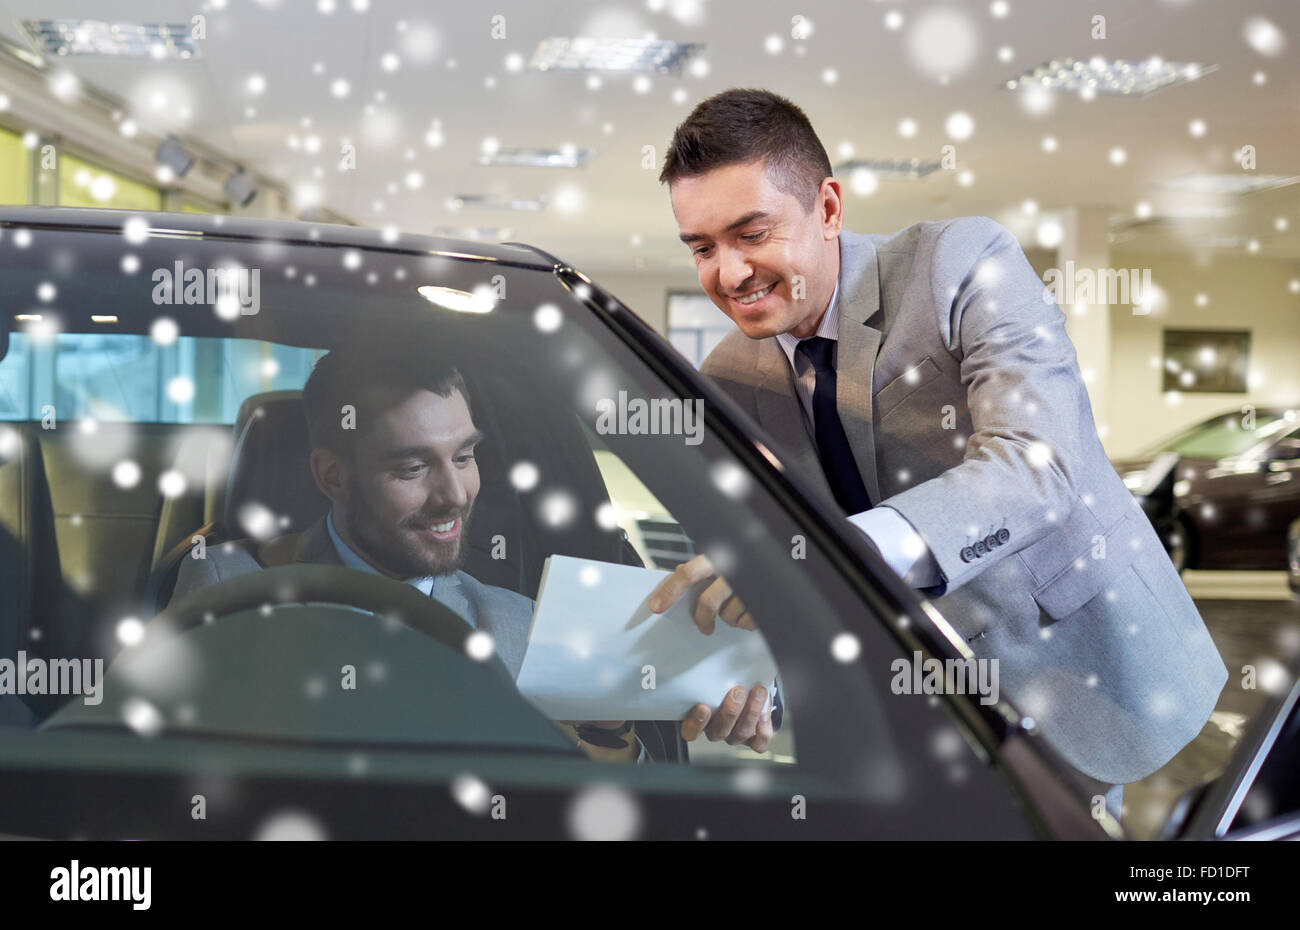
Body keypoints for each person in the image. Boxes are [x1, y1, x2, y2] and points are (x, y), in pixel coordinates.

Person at [648, 87, 1229, 820]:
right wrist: (758, 676)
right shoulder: (726, 377)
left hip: (1077, 666)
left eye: (752, 234)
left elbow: (1037, 462)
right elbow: (771, 562)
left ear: (828, 208)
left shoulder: (959, 262)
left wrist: (845, 550)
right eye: (702, 248)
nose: (728, 274)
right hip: (904, 720)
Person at [169, 341, 772, 762]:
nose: (454, 496)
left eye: (464, 456)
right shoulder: (229, 581)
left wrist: (615, 731)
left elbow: (604, 813)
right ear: (332, 476)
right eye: (412, 467)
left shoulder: (520, 623)